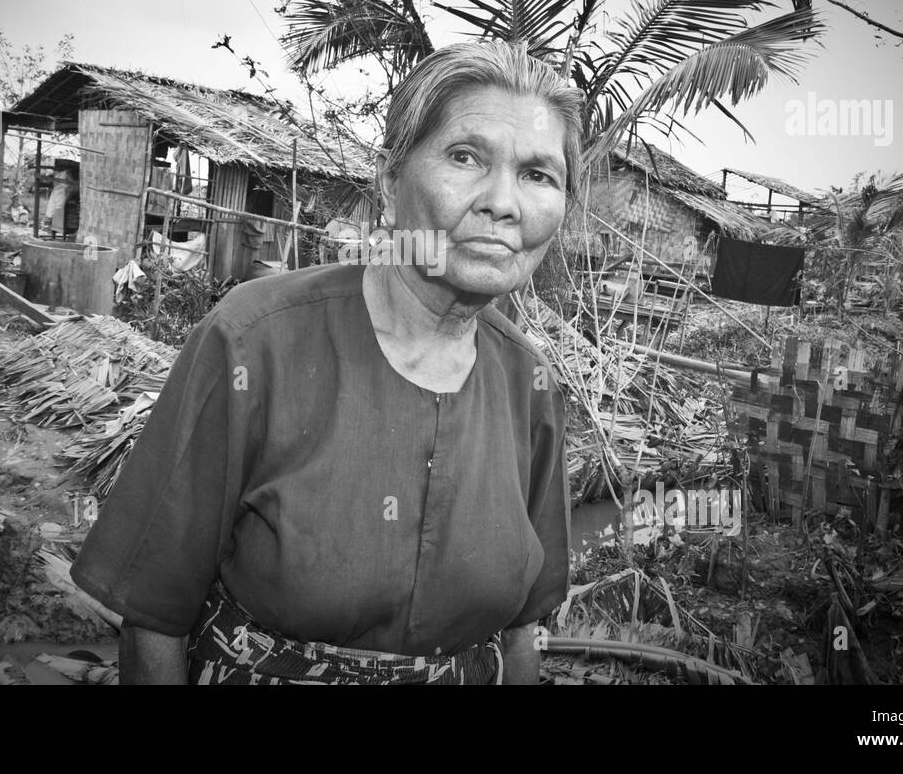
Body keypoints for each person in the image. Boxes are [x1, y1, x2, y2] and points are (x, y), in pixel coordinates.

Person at [71, 40, 582, 685]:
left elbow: (520, 632)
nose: (502, 203)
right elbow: (153, 613)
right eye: (464, 157)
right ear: (390, 183)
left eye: (538, 174)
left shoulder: (527, 381)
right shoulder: (254, 342)